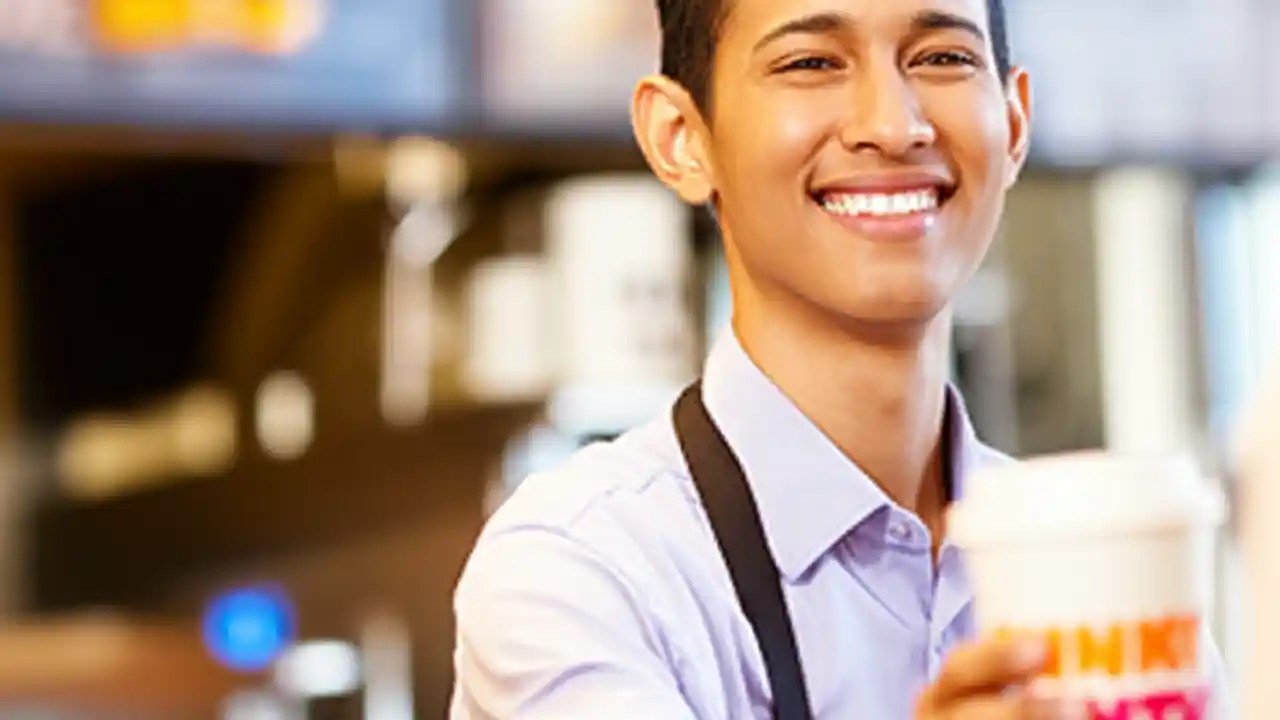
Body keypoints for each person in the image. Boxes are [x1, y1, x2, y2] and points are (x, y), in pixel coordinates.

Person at [449, 0, 1230, 718]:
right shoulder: (583, 571)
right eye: (812, 63)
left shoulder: (1100, 565)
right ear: (680, 137)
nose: (894, 125)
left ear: (1014, 121)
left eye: (943, 58)